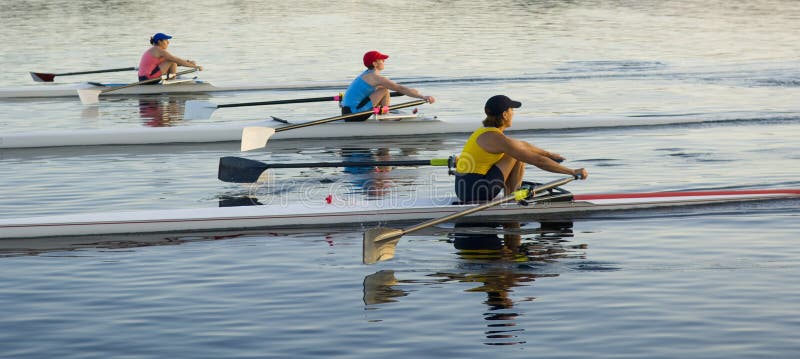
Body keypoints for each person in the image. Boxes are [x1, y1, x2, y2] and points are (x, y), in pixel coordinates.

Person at [454, 95, 588, 203]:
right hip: (477, 191)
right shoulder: (496, 138)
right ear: (505, 115)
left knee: (516, 151)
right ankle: (512, 198)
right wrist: (572, 171)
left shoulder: (485, 133)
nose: (514, 113)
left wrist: (549, 154)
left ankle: (511, 195)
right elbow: (537, 161)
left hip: (464, 189)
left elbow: (522, 144)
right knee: (516, 155)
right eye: (512, 110)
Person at [340, 50, 436, 121]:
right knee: (384, 90)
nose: (384, 61)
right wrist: (423, 96)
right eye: (381, 59)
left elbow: (398, 89)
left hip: (348, 112)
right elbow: (400, 88)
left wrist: (407, 91)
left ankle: (384, 114)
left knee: (383, 89)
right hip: (353, 114)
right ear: (374, 63)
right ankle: (384, 116)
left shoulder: (366, 75)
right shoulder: (376, 78)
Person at [138, 33, 203, 83]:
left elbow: (176, 63)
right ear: (159, 42)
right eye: (166, 40)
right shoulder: (158, 50)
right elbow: (175, 60)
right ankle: (172, 81)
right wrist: (195, 67)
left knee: (172, 61)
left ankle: (171, 79)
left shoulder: (155, 50)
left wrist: (188, 62)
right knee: (172, 60)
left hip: (143, 78)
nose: (168, 42)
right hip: (148, 78)